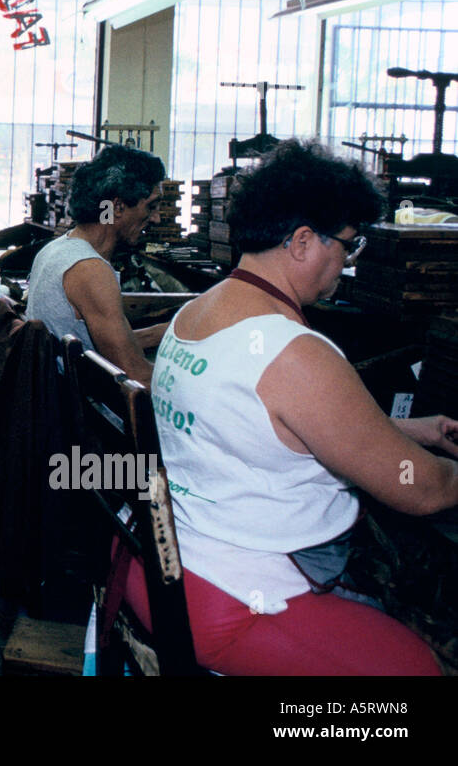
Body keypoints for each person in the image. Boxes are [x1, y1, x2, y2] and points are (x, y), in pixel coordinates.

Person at [129, 139, 458, 675]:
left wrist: (407, 431)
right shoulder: (293, 352)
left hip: (168, 562)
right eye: (348, 246)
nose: (346, 264)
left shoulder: (195, 314)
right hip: (237, 595)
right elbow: (424, 490)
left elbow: (256, 425)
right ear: (304, 241)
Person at [25, 144, 167, 381]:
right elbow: (136, 376)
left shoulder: (57, 249)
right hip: (86, 411)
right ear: (118, 208)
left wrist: (162, 334)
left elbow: (101, 343)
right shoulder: (90, 269)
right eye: (151, 206)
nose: (156, 217)